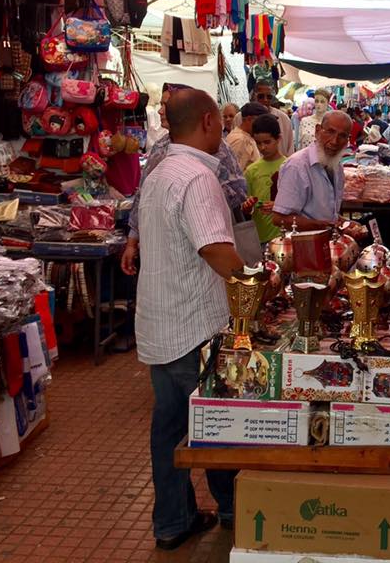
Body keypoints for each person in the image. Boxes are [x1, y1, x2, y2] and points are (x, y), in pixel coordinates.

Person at [134, 90, 245, 549]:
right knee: (217, 425)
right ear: (206, 121)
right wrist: (257, 279)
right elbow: (216, 250)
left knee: (169, 430)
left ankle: (173, 523)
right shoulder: (197, 177)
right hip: (193, 326)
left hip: (160, 322)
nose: (223, 131)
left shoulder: (159, 172)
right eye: (220, 123)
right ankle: (235, 510)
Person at [121, 84, 247, 277]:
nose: (161, 111)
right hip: (191, 287)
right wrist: (251, 285)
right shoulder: (197, 175)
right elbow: (212, 247)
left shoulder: (166, 167)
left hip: (162, 285)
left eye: (165, 105)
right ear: (207, 121)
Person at [270, 110, 352, 232]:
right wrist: (324, 226)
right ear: (318, 130)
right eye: (330, 132)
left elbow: (327, 214)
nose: (335, 141)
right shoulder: (297, 166)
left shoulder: (336, 166)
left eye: (342, 136)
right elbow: (279, 218)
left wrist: (344, 223)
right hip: (303, 245)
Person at [241, 114, 287, 244]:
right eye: (258, 143)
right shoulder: (251, 171)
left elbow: (298, 204)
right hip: (260, 236)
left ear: (278, 139)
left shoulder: (289, 166)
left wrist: (278, 206)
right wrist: (248, 206)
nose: (262, 147)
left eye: (267, 142)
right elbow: (246, 205)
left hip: (285, 234)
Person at [233, 82, 295, 157]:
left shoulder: (283, 119)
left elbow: (290, 148)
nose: (265, 100)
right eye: (261, 96)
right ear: (254, 96)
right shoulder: (240, 117)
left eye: (269, 97)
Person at [225, 102, 267, 171]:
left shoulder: (244, 137)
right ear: (249, 119)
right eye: (262, 121)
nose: (264, 125)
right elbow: (234, 174)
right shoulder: (240, 140)